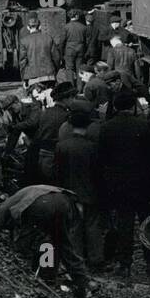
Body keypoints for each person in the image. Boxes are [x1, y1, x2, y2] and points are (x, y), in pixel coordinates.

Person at [97, 89, 150, 277]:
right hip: (143, 183)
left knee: (124, 224)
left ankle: (124, 263)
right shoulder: (145, 125)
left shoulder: (107, 127)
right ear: (133, 106)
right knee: (146, 223)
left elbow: (102, 159)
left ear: (115, 107)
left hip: (119, 184)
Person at [0, 184, 88, 298]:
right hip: (63, 203)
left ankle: (25, 277)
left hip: (42, 204)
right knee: (56, 243)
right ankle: (55, 278)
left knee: (23, 247)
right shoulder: (25, 193)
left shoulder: (4, 207)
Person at [54, 101, 105, 271]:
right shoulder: (93, 147)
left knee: (74, 227)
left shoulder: (61, 146)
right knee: (93, 226)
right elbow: (98, 173)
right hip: (91, 192)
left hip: (69, 193)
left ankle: (77, 260)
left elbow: (58, 172)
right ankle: (96, 259)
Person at [35, 81, 76, 182]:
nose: (74, 100)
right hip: (56, 157)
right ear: (66, 98)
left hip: (42, 156)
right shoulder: (66, 116)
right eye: (72, 97)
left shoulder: (45, 112)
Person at [18, 13, 59, 87]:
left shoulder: (24, 41)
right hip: (49, 76)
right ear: (40, 26)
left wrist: (24, 78)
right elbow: (56, 58)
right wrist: (55, 71)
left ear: (28, 27)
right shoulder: (48, 38)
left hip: (32, 77)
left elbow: (23, 62)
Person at [61, 10, 89, 85]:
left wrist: (61, 52)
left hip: (69, 50)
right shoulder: (84, 27)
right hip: (81, 49)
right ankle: (79, 88)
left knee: (69, 69)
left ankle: (71, 87)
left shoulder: (66, 27)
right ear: (77, 16)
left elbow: (62, 41)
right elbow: (87, 42)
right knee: (79, 69)